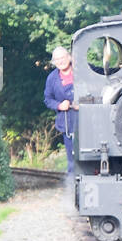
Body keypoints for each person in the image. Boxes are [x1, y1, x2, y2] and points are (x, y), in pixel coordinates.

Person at [44, 45, 78, 174]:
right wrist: (59, 105)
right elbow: (47, 99)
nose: (61, 61)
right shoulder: (52, 78)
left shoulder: (80, 71)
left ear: (69, 57)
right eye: (57, 59)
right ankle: (72, 186)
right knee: (71, 158)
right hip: (66, 122)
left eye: (63, 57)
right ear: (54, 62)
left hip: (86, 120)